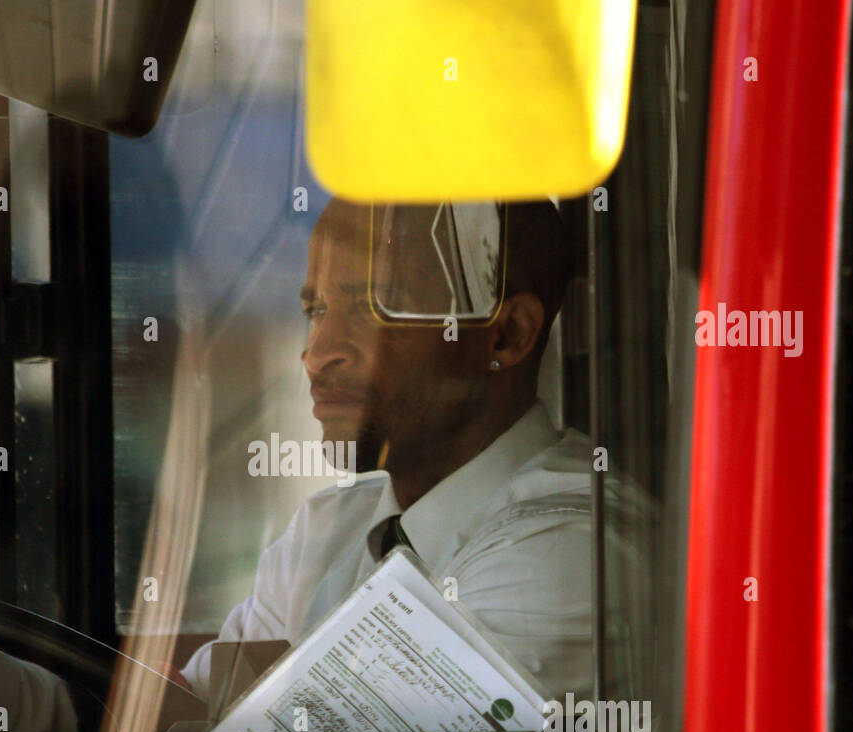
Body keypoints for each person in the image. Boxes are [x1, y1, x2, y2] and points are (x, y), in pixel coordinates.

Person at [182, 196, 597, 702]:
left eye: (372, 308)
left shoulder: (561, 555)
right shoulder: (325, 532)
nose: (316, 355)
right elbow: (197, 708)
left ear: (507, 335)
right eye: (317, 311)